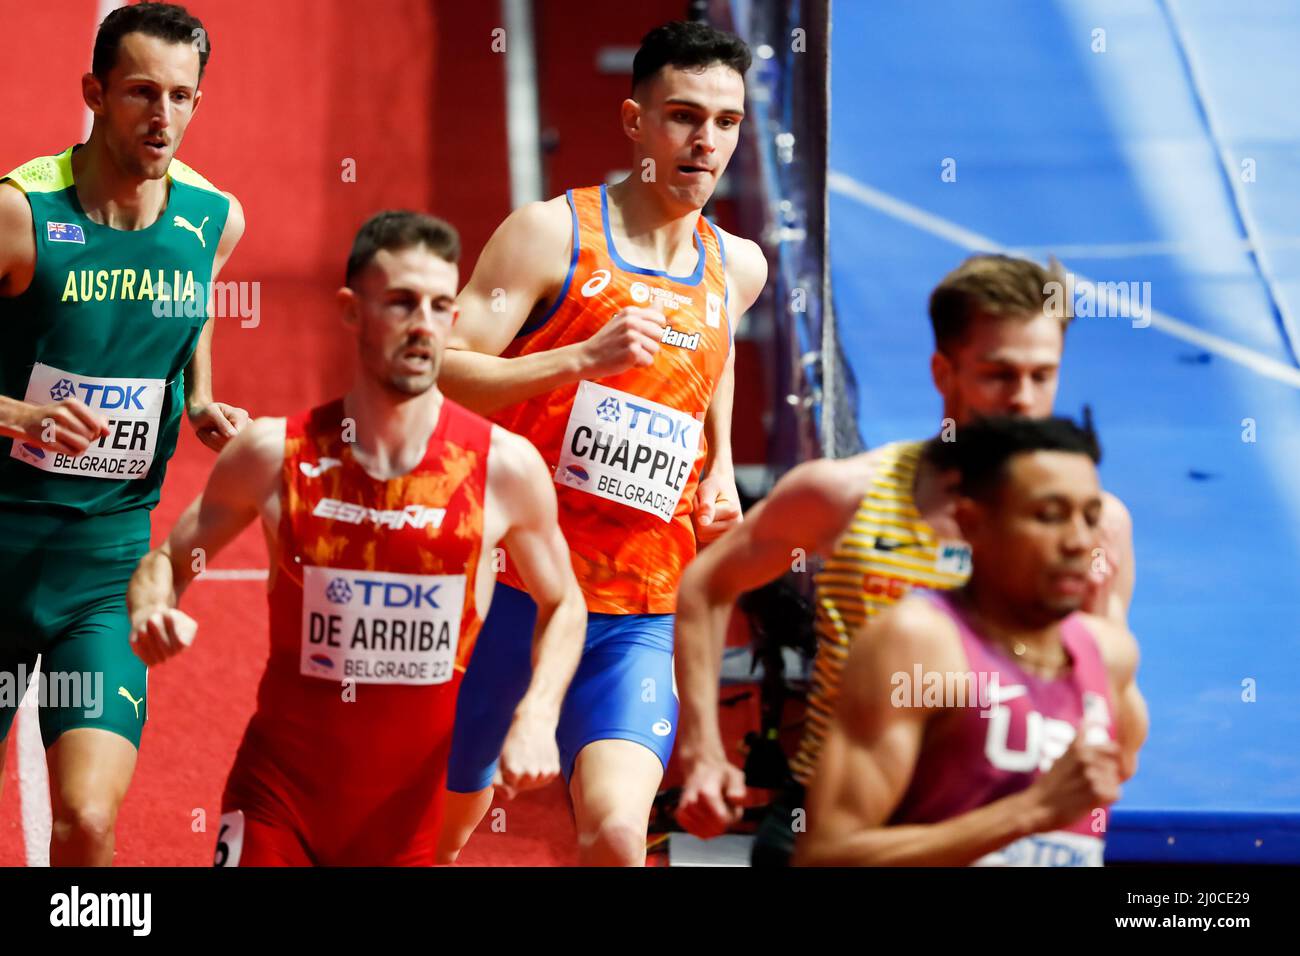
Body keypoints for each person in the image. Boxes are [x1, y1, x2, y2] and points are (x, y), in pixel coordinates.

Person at [127, 211, 586, 866]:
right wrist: (151, 608)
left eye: (439, 305)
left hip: (407, 827)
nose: (422, 323)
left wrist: (539, 714)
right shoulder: (273, 453)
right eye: (400, 303)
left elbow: (565, 602)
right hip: (277, 803)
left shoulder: (503, 469)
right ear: (351, 310)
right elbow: (170, 560)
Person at [673, 254, 1136, 862]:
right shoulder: (846, 495)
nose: (1023, 400)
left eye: (1042, 375)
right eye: (999, 375)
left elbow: (1106, 708)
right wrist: (702, 748)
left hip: (1010, 837)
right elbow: (707, 584)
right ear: (943, 371)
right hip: (844, 827)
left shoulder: (1096, 526)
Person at [436, 20, 768, 865]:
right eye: (683, 117)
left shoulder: (740, 266)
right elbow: (443, 365)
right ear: (633, 121)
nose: (706, 142)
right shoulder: (550, 234)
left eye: (726, 123)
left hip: (640, 611)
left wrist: (720, 467)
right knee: (426, 845)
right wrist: (578, 358)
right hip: (513, 594)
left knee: (618, 837)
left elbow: (712, 348)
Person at [0, 2, 246, 865]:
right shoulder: (19, 215)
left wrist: (206, 395)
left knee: (91, 822)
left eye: (183, 96)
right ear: (94, 94)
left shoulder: (212, 221)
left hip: (105, 571)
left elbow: (189, 311)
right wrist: (23, 417)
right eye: (143, 92)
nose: (164, 117)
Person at [796, 415, 1148, 866]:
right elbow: (824, 857)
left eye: (1090, 518)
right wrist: (1030, 811)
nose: (1078, 541)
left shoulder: (1111, 657)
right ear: (971, 522)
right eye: (1049, 516)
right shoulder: (916, 644)